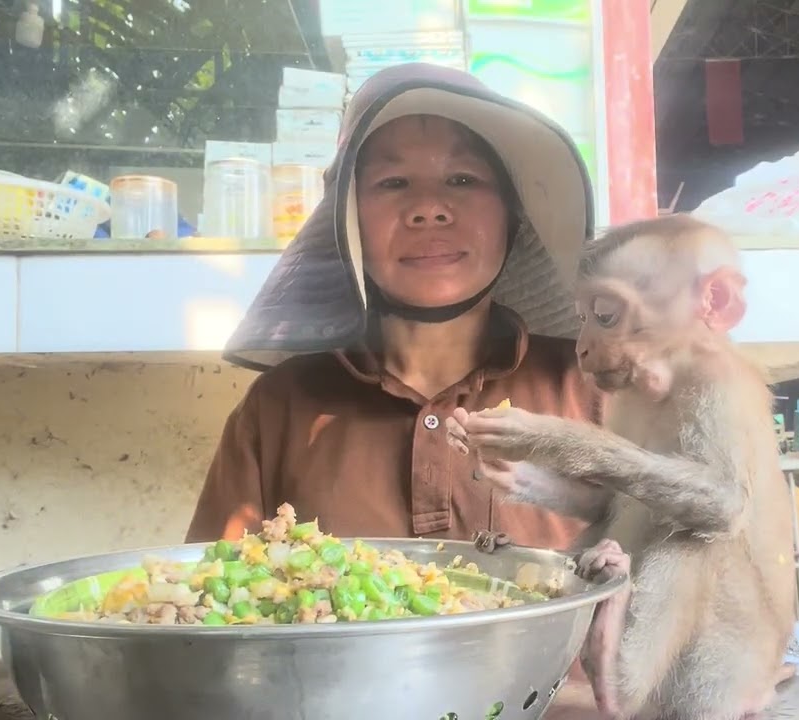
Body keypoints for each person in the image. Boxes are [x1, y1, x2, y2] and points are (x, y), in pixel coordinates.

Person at [185, 61, 602, 555]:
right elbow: (214, 597)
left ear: (513, 217)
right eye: (393, 182)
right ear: (347, 221)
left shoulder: (593, 390)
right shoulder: (278, 407)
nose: (430, 207)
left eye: (463, 179)